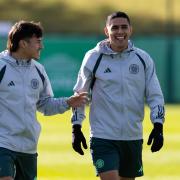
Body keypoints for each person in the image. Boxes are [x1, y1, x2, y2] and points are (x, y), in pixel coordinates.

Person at [71, 11, 165, 180]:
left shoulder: (143, 59)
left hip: (132, 136)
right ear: (106, 31)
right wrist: (76, 127)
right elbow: (80, 94)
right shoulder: (93, 57)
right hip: (103, 136)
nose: (119, 32)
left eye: (124, 27)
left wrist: (158, 125)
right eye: (114, 28)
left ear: (131, 30)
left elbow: (155, 95)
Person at [0, 20, 88, 180]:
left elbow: (45, 105)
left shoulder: (38, 70)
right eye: (38, 42)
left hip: (28, 146)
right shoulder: (1, 67)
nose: (42, 46)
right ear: (23, 43)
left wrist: (68, 102)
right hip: (2, 143)